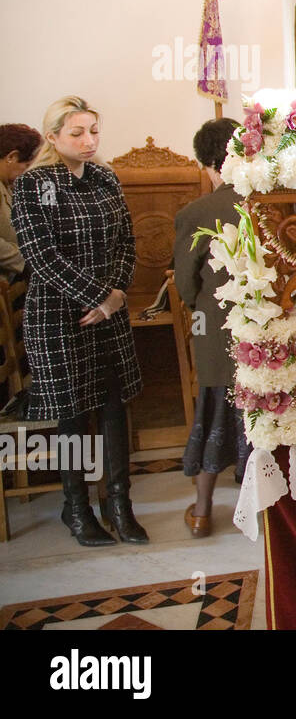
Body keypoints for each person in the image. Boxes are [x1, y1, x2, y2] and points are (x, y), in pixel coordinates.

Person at [11, 97, 147, 547]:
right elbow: (41, 258)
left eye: (93, 131)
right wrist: (97, 296)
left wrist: (115, 297)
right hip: (58, 316)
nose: (88, 141)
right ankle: (76, 509)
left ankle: (120, 504)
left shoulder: (105, 177)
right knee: (71, 415)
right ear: (52, 137)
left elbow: (127, 240)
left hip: (107, 311)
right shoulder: (34, 185)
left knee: (112, 406)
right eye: (76, 133)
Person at [172, 118, 250, 537]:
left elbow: (185, 283)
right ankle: (269, 509)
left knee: (213, 412)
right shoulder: (270, 202)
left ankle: (202, 512)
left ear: (206, 163)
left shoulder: (195, 212)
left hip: (217, 333)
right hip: (268, 337)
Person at [0, 123, 42, 281]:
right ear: (11, 157)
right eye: (26, 166)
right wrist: (28, 260)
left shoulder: (7, 185)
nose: (27, 173)